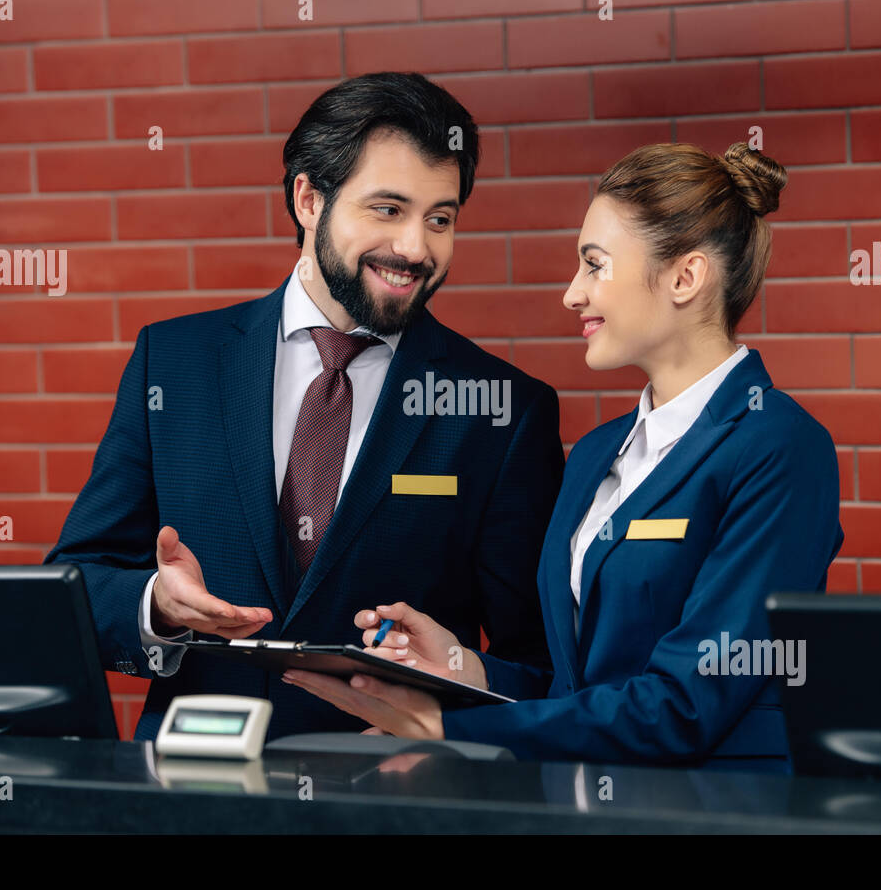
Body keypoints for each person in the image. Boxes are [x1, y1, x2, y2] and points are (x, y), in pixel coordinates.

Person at [284, 142, 845, 771]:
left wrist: (449, 728)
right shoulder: (597, 455)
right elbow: (573, 694)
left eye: (595, 265)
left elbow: (687, 706)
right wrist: (461, 667)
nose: (572, 294)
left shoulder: (780, 448)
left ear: (685, 278)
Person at [44, 73, 563, 741]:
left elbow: (541, 670)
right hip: (190, 795)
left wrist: (454, 685)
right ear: (309, 198)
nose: (415, 248)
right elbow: (73, 586)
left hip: (395, 804)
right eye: (387, 209)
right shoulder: (172, 364)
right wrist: (158, 606)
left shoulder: (505, 411)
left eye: (440, 218)